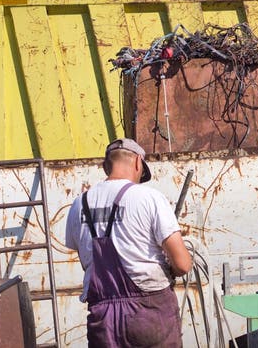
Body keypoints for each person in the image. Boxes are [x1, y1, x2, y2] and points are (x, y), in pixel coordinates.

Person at [65, 138, 192, 347]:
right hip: (149, 312)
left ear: (106, 166)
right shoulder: (148, 197)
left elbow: (87, 262)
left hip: (103, 320)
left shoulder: (79, 204)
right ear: (137, 163)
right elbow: (182, 264)